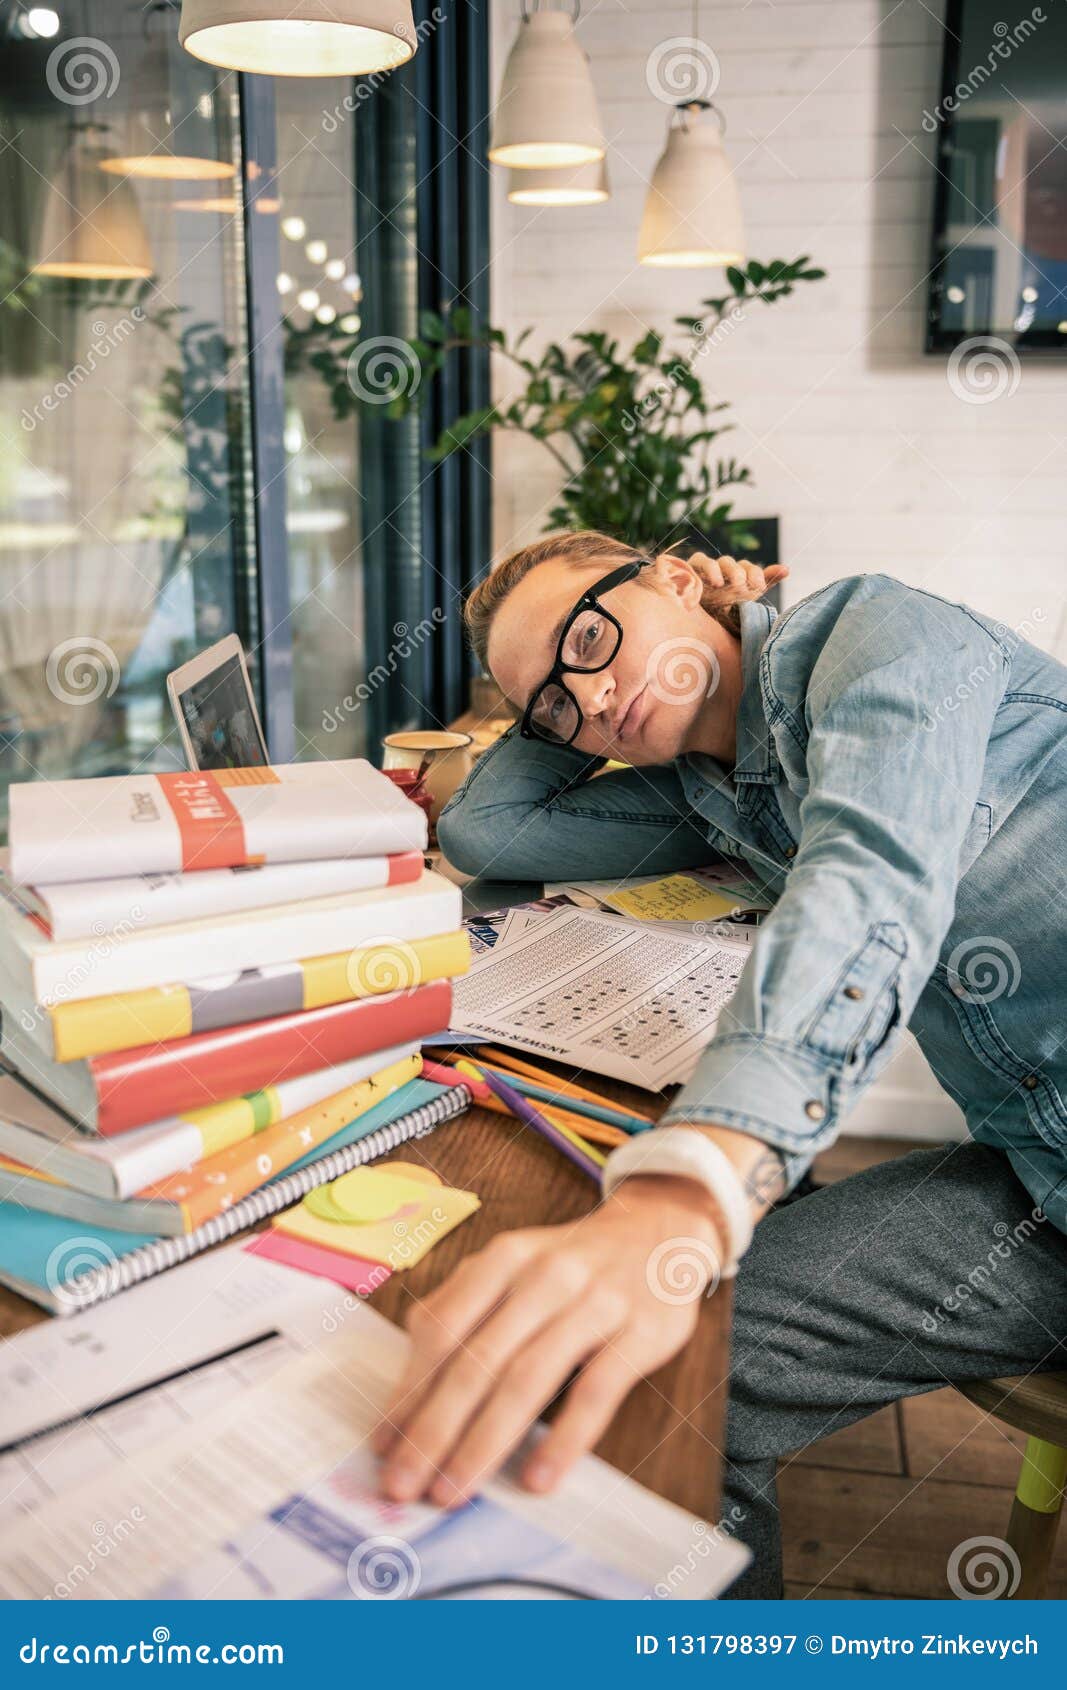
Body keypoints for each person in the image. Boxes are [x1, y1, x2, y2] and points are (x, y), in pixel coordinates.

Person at [373, 531, 1067, 1597]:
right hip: (1033, 1171)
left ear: (677, 571)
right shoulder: (703, 792)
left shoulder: (878, 636)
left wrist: (686, 1194)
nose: (593, 700)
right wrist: (557, 695)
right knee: (681, 1370)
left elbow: (869, 878)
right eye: (554, 707)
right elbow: (488, 831)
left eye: (592, 636)